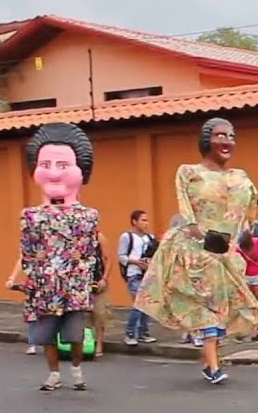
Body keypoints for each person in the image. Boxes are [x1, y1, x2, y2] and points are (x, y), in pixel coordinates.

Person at [134, 118, 258, 384]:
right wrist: (194, 228)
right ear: (206, 140)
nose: (227, 140)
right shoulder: (188, 171)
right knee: (206, 309)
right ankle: (213, 367)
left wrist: (243, 236)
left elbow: (246, 214)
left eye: (231, 135)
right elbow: (184, 203)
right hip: (196, 250)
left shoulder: (240, 177)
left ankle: (209, 361)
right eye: (220, 135)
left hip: (225, 252)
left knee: (221, 309)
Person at [11, 122, 101, 391]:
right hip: (43, 288)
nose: (52, 173)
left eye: (63, 166)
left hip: (75, 287)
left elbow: (90, 251)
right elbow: (27, 251)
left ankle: (75, 369)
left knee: (75, 335)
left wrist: (89, 282)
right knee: (46, 335)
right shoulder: (30, 216)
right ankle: (53, 374)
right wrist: (27, 279)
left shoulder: (88, 215)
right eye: (45, 164)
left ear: (81, 171)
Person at [117, 210, 158, 346]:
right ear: (134, 221)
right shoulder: (127, 236)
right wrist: (135, 262)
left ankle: (143, 333)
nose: (146, 223)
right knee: (138, 303)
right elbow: (121, 255)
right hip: (133, 273)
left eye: (147, 220)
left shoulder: (149, 237)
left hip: (146, 274)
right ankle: (130, 332)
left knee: (145, 304)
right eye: (143, 220)